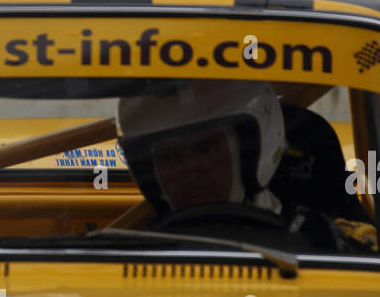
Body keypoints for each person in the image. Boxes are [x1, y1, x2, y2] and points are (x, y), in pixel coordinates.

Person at [115, 80, 285, 218]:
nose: (190, 174)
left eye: (206, 150)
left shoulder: (301, 251)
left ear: (249, 156)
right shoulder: (129, 246)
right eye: (169, 157)